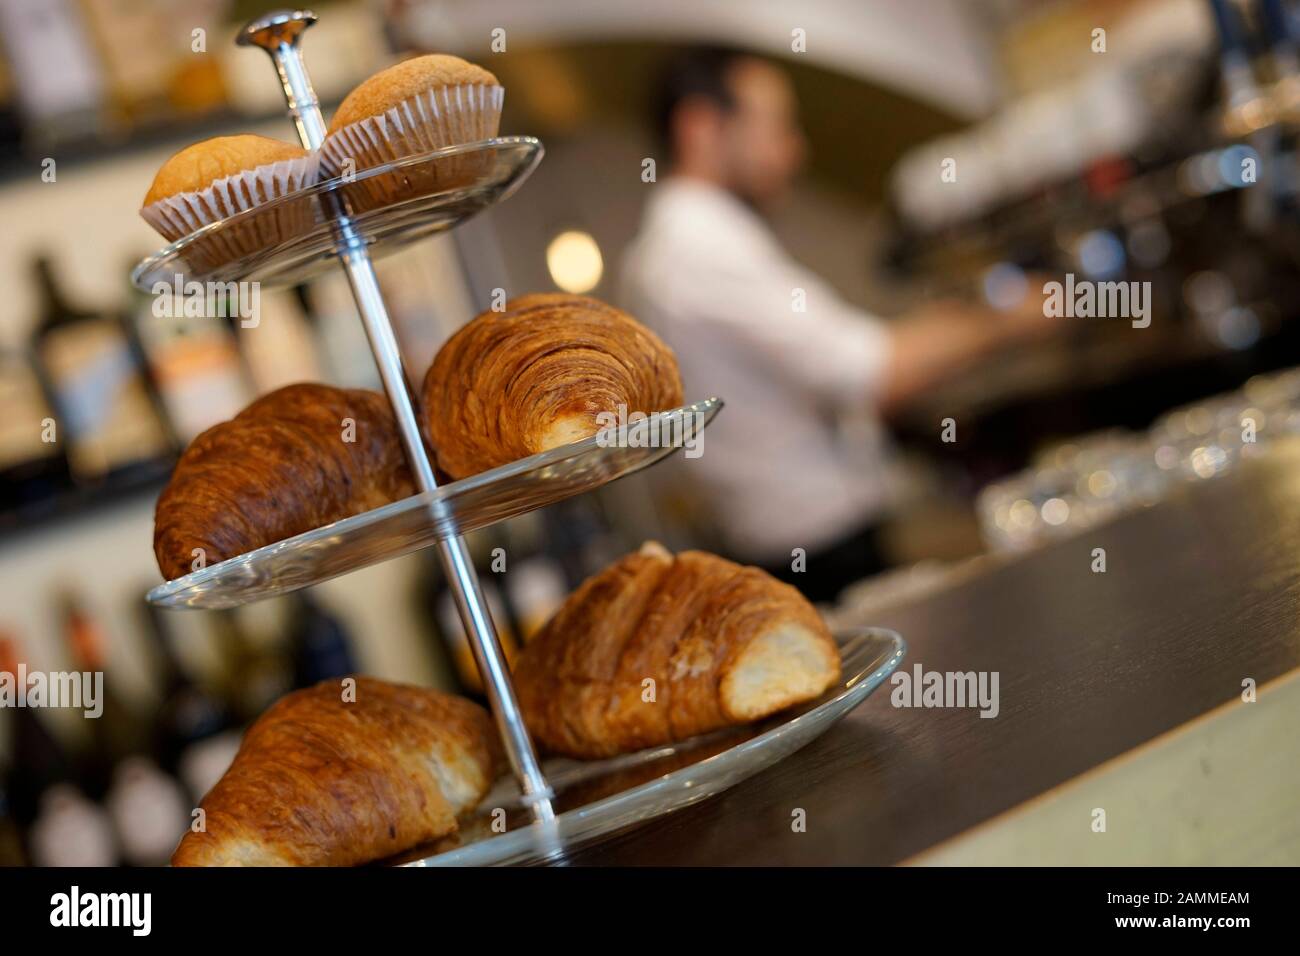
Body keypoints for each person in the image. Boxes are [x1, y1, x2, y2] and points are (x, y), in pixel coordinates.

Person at [620, 47, 1056, 603]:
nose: (794, 149)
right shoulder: (694, 246)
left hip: (802, 546)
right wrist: (1013, 317)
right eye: (776, 126)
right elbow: (869, 371)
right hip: (817, 556)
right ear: (701, 127)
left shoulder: (684, 243)